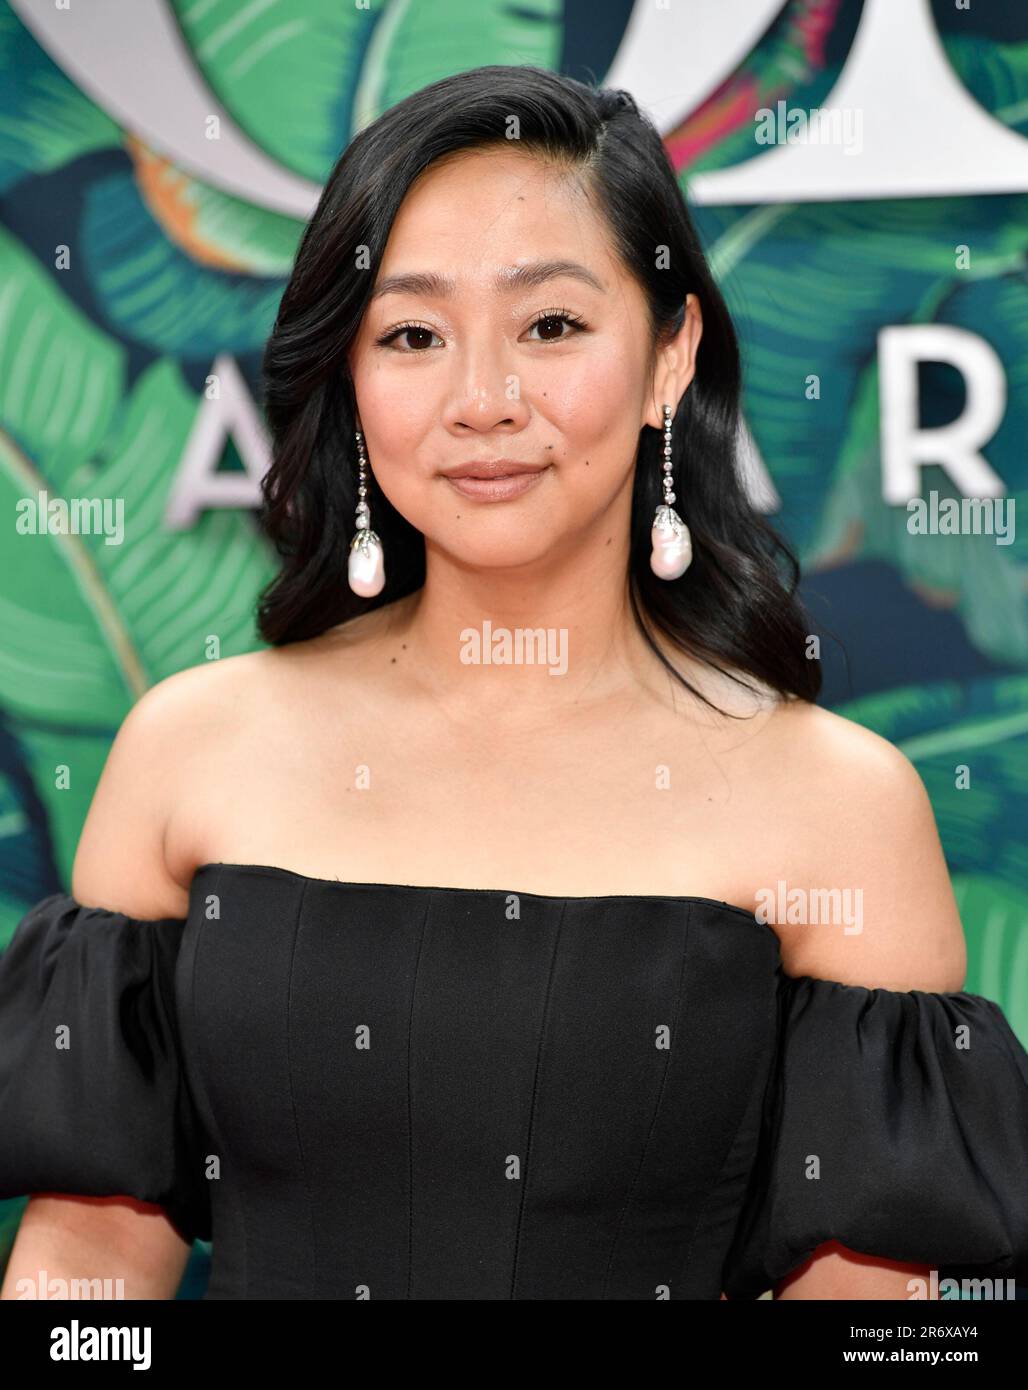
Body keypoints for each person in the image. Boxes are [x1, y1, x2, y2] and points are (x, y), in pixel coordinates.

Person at [1, 65, 1026, 1301]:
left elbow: (863, 1307)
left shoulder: (836, 805)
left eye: (549, 325)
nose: (482, 403)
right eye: (413, 335)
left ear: (668, 356)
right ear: (350, 376)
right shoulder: (193, 747)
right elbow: (93, 1254)